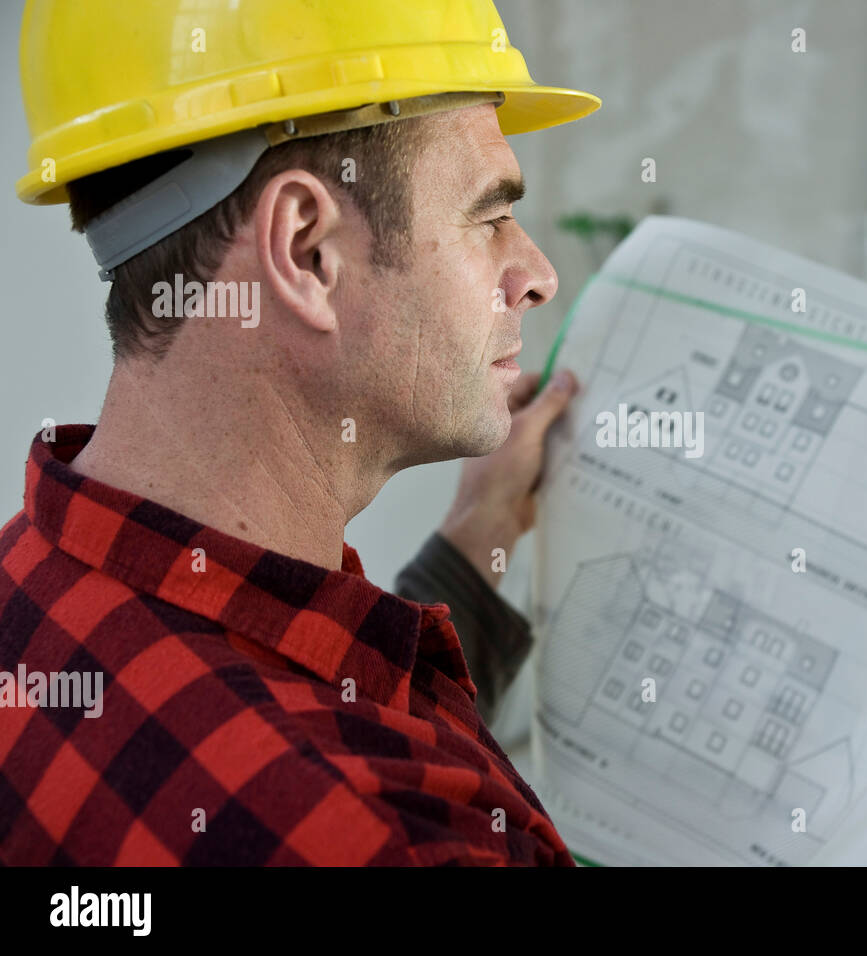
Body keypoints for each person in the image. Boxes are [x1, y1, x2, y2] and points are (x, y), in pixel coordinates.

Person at [0, 0, 598, 865]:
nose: (535, 274)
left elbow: (292, 653)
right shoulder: (386, 836)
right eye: (488, 213)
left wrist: (485, 530)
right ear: (310, 250)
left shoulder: (38, 584)